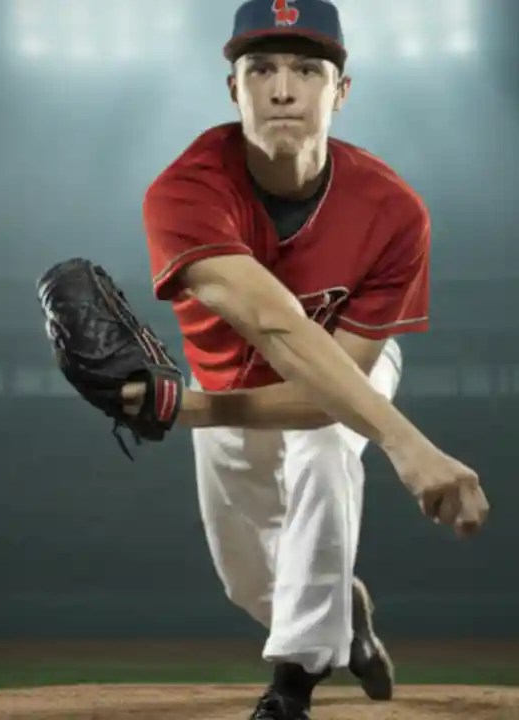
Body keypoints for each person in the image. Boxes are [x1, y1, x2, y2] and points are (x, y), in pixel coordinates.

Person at [132, 1, 490, 718]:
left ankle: (291, 684)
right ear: (233, 89)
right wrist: (197, 406)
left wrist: (403, 444)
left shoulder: (393, 210)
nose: (283, 90)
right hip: (225, 383)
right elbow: (273, 324)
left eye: (306, 70)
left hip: (347, 373)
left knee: (328, 445)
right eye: (261, 69)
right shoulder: (184, 192)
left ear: (341, 91)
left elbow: (331, 386)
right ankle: (345, 616)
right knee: (245, 580)